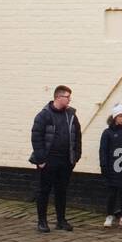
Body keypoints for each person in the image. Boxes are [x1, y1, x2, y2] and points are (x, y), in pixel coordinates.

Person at [30, 84, 82, 233]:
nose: (70, 100)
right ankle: (42, 221)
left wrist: (76, 156)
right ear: (58, 97)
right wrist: (41, 159)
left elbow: (77, 135)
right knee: (44, 190)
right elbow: (36, 137)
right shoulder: (44, 115)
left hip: (66, 160)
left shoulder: (71, 114)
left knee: (62, 190)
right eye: (67, 97)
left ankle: (61, 220)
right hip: (48, 160)